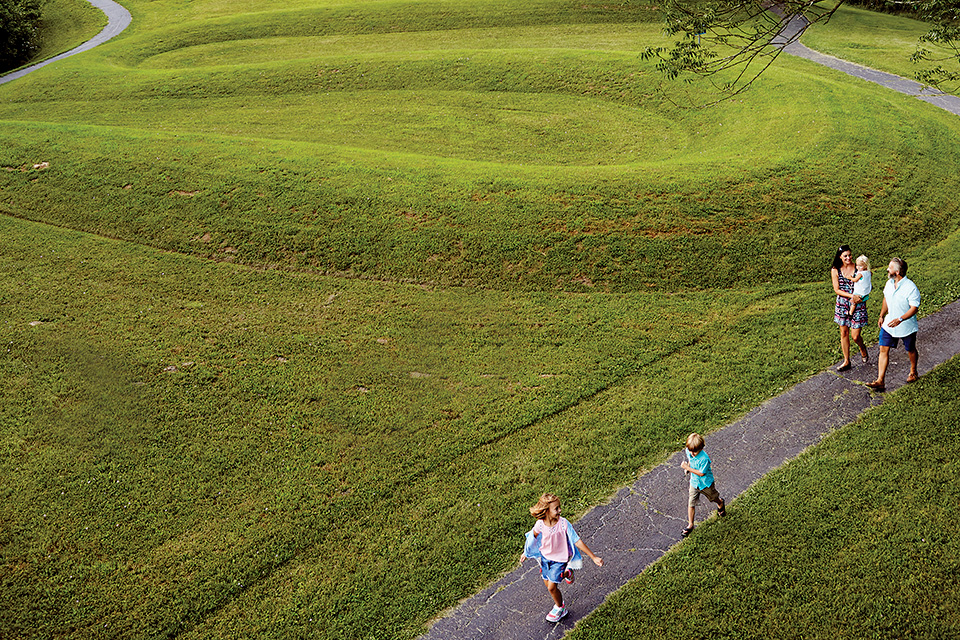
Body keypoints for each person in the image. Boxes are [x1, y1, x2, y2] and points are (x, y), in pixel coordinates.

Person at [521, 493, 603, 623]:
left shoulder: (563, 523)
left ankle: (560, 607)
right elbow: (532, 537)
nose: (560, 510)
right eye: (556, 508)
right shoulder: (540, 524)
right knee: (547, 583)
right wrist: (526, 552)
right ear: (546, 511)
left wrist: (593, 557)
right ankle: (567, 573)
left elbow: (577, 540)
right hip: (545, 559)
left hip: (560, 560)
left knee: (551, 587)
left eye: (559, 507)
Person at [867, 257, 920, 392]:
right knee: (883, 349)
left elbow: (914, 308)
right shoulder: (889, 283)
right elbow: (886, 299)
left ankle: (913, 371)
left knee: (910, 349)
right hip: (889, 324)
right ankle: (880, 380)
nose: (887, 269)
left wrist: (900, 319)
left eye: (890, 268)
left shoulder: (910, 287)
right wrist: (881, 315)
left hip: (906, 326)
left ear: (897, 272)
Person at [831, 244, 869, 371]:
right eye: (845, 256)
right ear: (840, 257)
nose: (848, 258)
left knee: (855, 336)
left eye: (850, 255)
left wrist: (860, 297)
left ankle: (862, 347)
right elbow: (837, 289)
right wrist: (851, 296)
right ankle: (846, 361)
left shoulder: (858, 267)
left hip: (858, 302)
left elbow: (867, 281)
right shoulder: (835, 270)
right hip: (843, 303)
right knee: (844, 332)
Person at [679, 432, 725, 537]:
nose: (692, 453)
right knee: (691, 503)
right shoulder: (689, 451)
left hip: (705, 484)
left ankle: (720, 502)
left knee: (713, 498)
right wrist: (688, 466)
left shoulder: (704, 459)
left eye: (694, 451)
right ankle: (690, 525)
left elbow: (701, 473)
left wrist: (687, 468)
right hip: (694, 483)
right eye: (690, 450)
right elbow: (690, 459)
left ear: (701, 448)